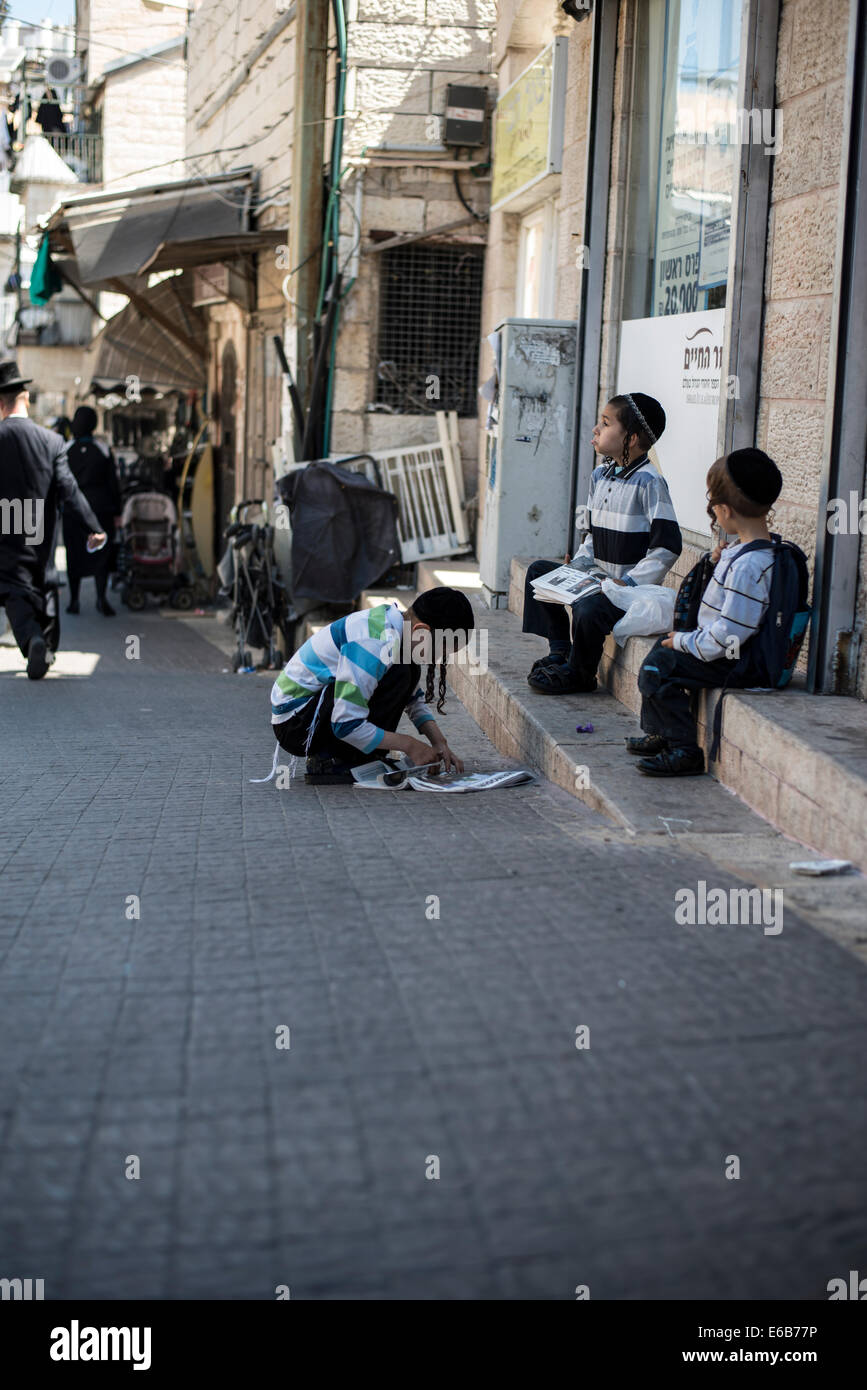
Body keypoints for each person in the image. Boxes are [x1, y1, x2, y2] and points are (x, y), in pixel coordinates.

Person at [632, 448, 783, 777]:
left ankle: (683, 749)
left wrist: (685, 642)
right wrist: (717, 562)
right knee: (662, 652)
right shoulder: (748, 551)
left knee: (659, 666)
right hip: (724, 649)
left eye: (712, 503)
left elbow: (728, 636)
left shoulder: (749, 565)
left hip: (737, 660)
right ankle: (661, 731)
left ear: (725, 510)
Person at [523, 392, 682, 695]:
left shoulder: (650, 483)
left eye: (606, 423)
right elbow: (592, 537)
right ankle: (560, 651)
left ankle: (580, 673)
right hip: (596, 577)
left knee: (589, 608)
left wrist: (630, 583)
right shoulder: (600, 475)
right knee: (537, 573)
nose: (596, 429)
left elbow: (667, 547)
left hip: (625, 592)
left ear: (632, 438)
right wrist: (578, 566)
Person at [268, 587, 474, 784]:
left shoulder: (397, 631)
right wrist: (410, 746)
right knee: (402, 672)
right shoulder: (376, 641)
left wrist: (439, 742)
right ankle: (331, 759)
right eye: (442, 650)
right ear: (422, 631)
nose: (440, 658)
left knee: (406, 671)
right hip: (297, 724)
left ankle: (353, 755)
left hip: (311, 712)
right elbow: (345, 723)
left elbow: (412, 698)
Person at [0, 360, 105, 679]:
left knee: (13, 587)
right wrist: (93, 527)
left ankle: (33, 639)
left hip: (7, 525)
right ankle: (45, 646)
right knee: (43, 584)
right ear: (26, 398)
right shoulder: (52, 441)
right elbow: (69, 489)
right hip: (40, 530)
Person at [62, 405, 122, 616]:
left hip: (73, 511)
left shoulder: (66, 449)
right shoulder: (103, 451)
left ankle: (74, 601)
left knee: (74, 554)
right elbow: (113, 484)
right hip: (100, 510)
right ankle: (101, 599)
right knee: (101, 554)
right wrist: (118, 511)